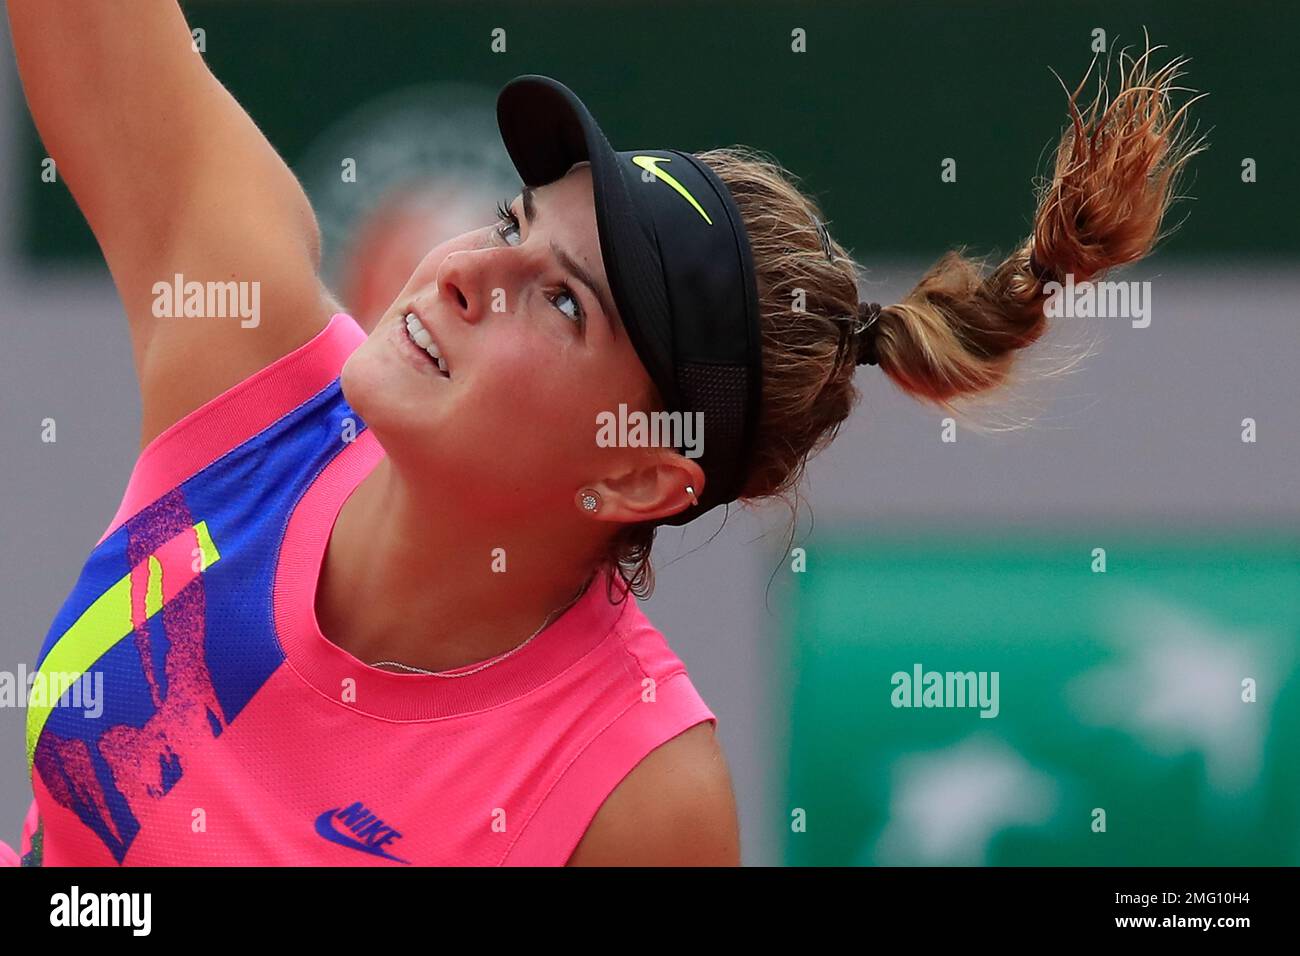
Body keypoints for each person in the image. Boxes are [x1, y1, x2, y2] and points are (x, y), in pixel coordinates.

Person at [6, 2, 1204, 866]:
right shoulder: (251, 358)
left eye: (563, 299)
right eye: (510, 221)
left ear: (635, 466)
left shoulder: (635, 794)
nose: (471, 270)